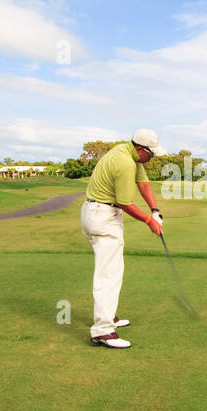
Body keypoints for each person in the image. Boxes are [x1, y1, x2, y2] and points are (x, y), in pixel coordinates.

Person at [80, 129, 165, 348]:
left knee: (113, 269)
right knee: (108, 274)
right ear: (141, 149)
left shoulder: (128, 154)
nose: (153, 157)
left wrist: (155, 210)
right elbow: (125, 203)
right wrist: (149, 221)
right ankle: (102, 330)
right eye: (152, 154)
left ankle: (108, 317)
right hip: (103, 215)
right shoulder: (126, 163)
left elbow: (144, 184)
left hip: (98, 212)